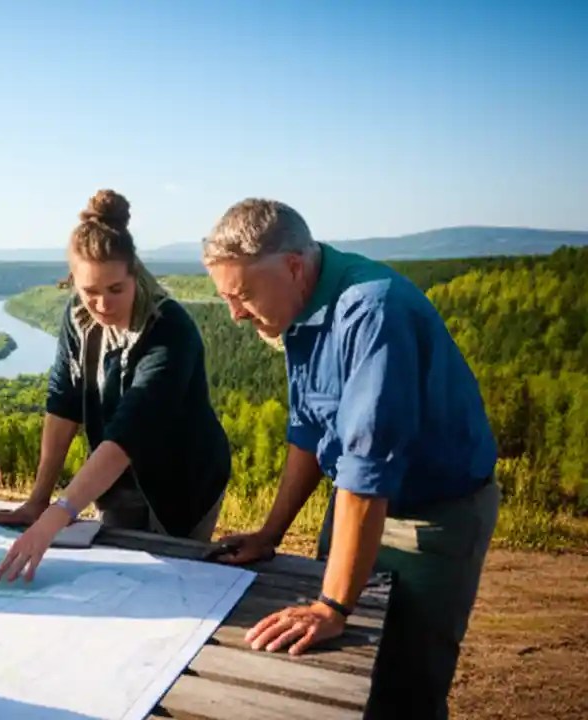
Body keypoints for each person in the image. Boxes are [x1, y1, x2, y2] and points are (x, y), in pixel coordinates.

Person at [199, 198, 499, 718]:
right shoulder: (300, 305)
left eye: (243, 294)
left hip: (430, 518)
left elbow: (367, 465)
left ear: (293, 266)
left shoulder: (373, 310)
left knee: (401, 687)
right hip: (355, 507)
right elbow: (310, 431)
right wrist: (271, 534)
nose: (236, 314)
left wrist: (333, 606)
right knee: (339, 682)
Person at [0, 189, 232, 583]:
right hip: (114, 476)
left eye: (116, 289)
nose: (102, 304)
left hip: (183, 478)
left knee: (170, 578)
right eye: (89, 292)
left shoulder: (170, 330)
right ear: (73, 283)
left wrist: (57, 516)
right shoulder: (78, 317)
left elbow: (132, 431)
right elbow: (63, 402)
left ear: (134, 274)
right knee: (117, 572)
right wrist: (38, 500)